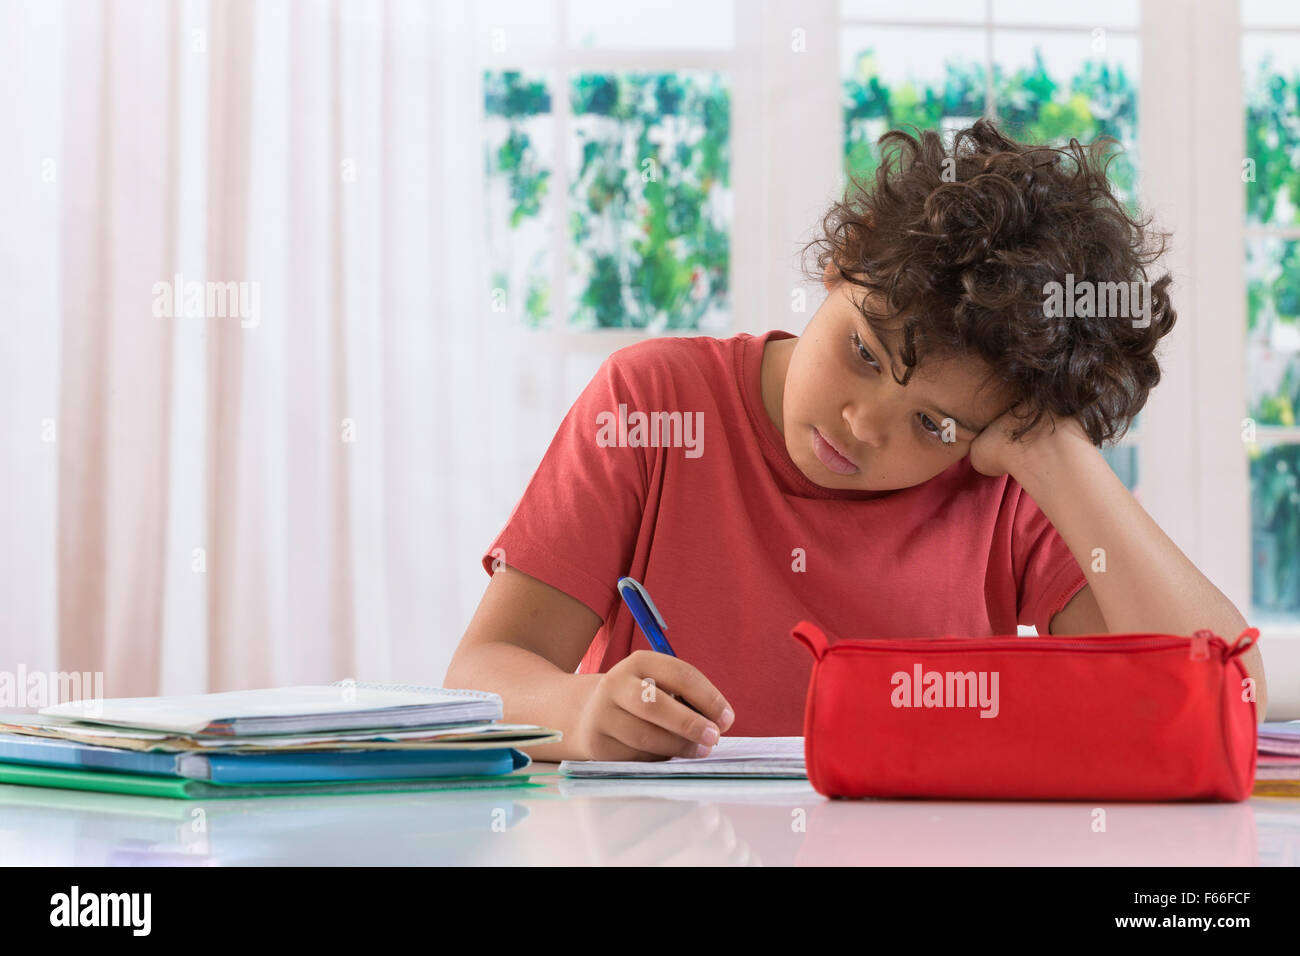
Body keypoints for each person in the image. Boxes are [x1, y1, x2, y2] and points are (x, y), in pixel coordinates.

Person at [446, 119, 1268, 763]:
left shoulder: (1008, 475)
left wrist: (1052, 448)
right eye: (864, 352)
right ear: (842, 265)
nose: (865, 425)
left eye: (935, 423)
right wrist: (580, 713)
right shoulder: (652, 403)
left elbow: (1227, 696)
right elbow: (485, 673)